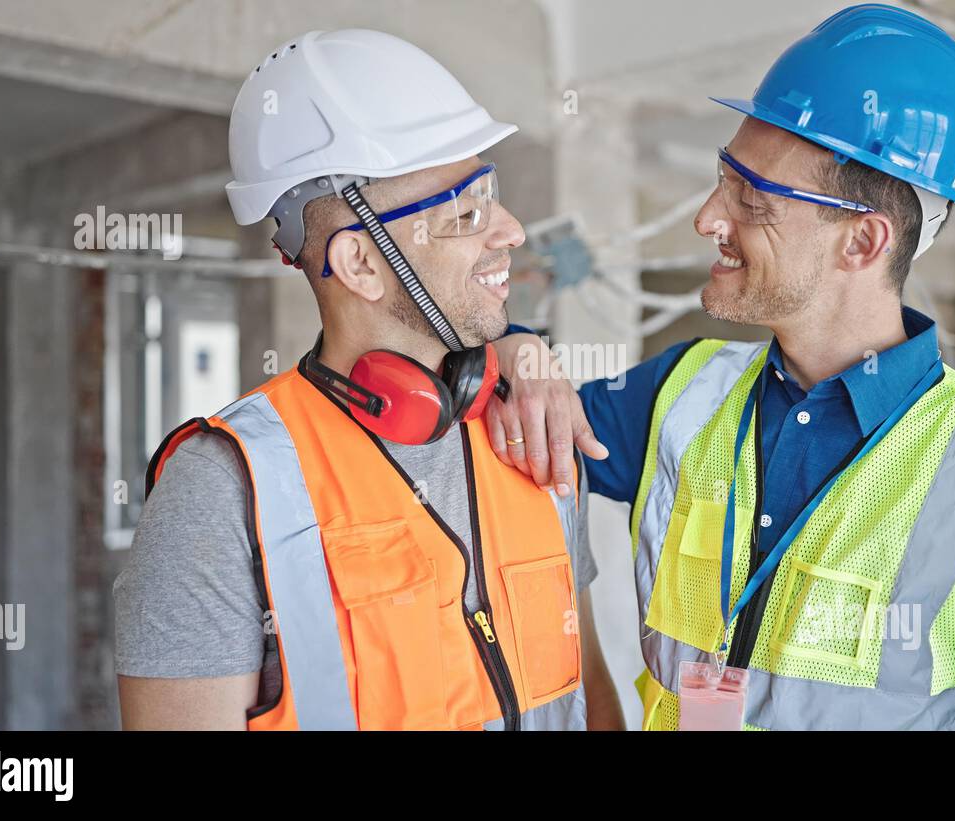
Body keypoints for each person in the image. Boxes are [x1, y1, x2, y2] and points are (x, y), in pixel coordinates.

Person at [490, 4, 955, 730]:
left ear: (862, 242)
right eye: (721, 178)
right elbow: (505, 418)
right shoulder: (680, 392)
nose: (707, 217)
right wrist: (517, 344)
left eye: (751, 200)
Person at [114, 29, 621, 731]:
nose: (510, 230)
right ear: (359, 265)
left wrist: (523, 347)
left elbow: (587, 697)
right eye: (466, 213)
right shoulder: (224, 489)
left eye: (492, 193)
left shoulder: (532, 425)